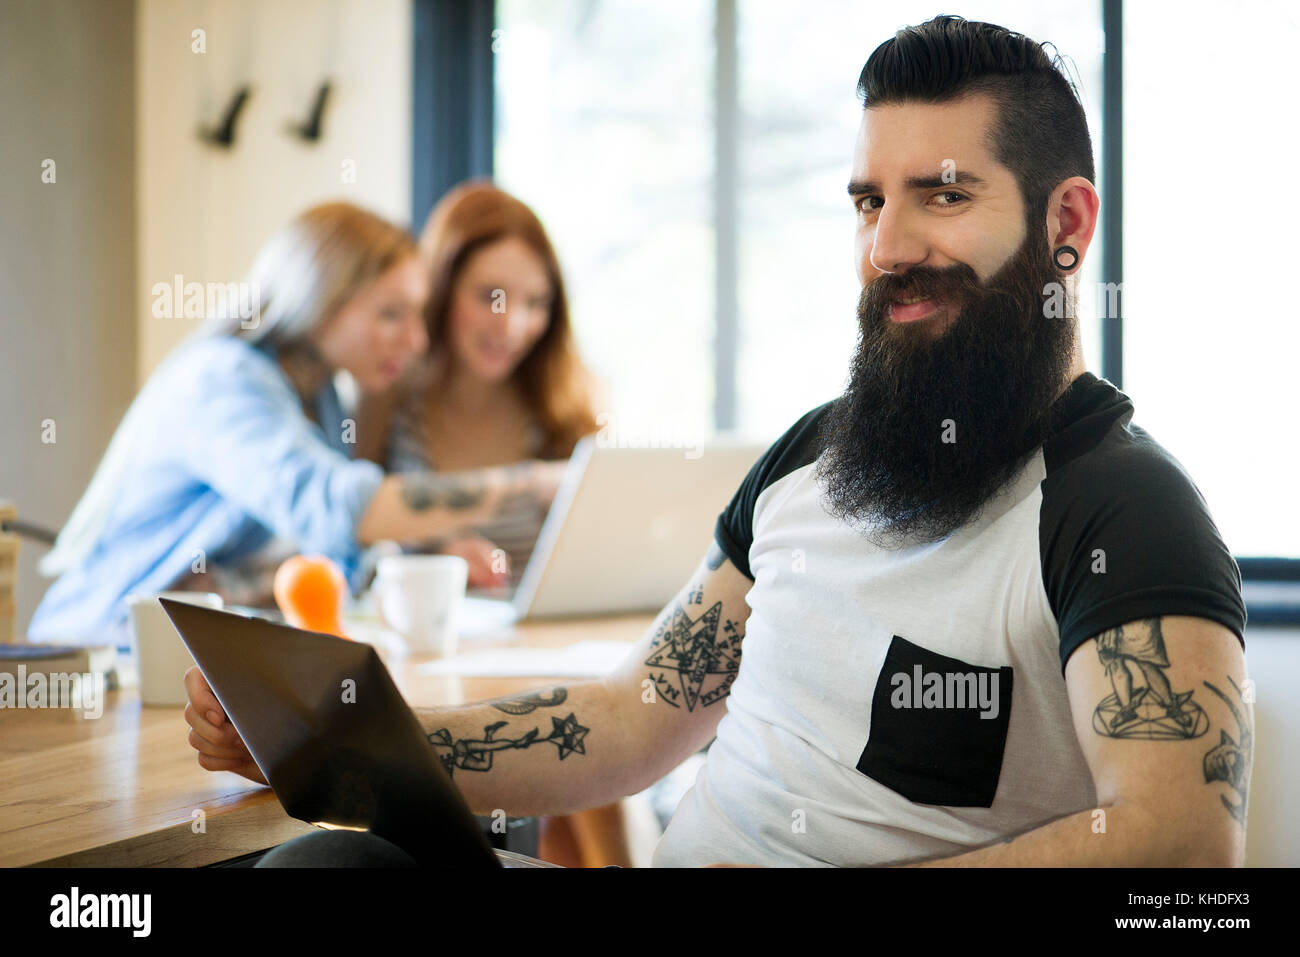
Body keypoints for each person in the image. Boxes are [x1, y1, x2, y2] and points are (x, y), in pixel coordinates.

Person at [185, 16, 1251, 867]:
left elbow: (1177, 839)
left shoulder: (1122, 508)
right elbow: (628, 720)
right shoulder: (810, 459)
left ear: (1067, 225)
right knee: (326, 867)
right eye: (868, 200)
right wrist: (338, 743)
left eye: (941, 194)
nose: (885, 245)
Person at [30, 202, 562, 643]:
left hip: (190, 661)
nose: (416, 340)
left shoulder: (320, 395)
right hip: (103, 657)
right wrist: (529, 484)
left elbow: (323, 554)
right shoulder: (220, 380)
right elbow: (336, 508)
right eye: (390, 314)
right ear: (321, 302)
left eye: (416, 316)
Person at [355, 181, 599, 589]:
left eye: (536, 303)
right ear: (440, 290)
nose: (512, 326)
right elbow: (344, 544)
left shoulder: (566, 407)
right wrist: (428, 562)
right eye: (491, 297)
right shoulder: (385, 398)